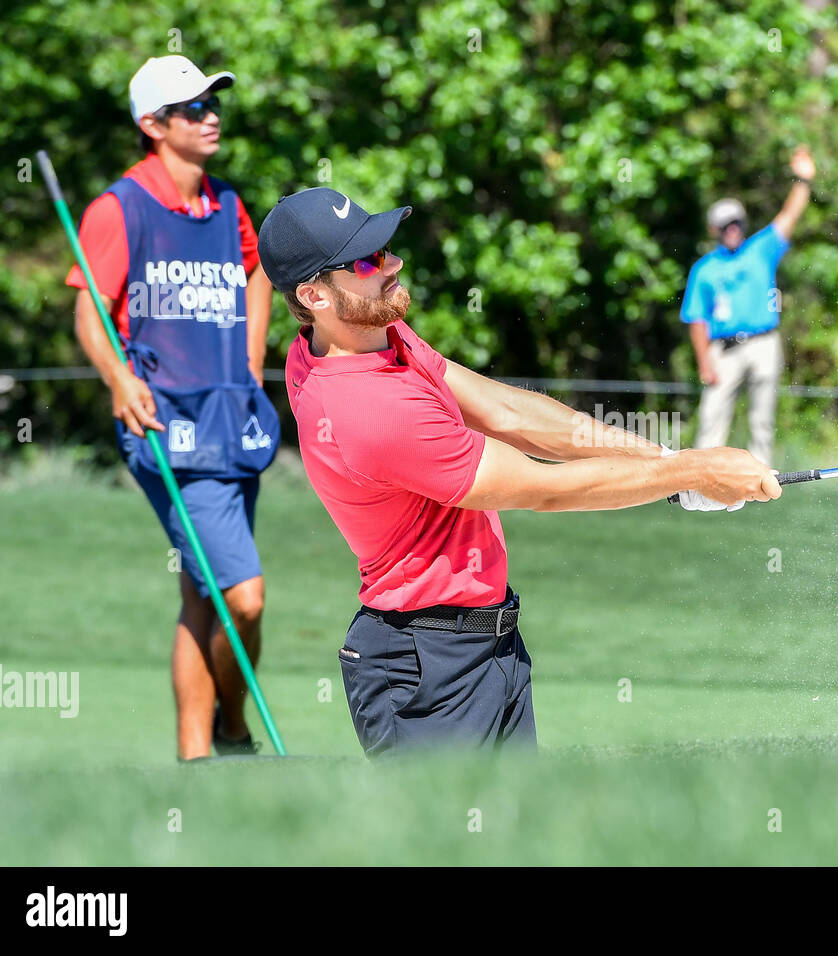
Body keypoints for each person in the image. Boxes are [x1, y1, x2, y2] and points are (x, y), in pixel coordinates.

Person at [257, 188, 780, 756]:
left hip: (487, 643)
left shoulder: (367, 338)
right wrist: (696, 471)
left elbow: (509, 413)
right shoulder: (370, 410)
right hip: (427, 669)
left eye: (384, 248)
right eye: (365, 262)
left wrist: (671, 466)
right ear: (313, 294)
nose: (392, 264)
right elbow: (544, 489)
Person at [67, 55, 279, 761]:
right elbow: (89, 316)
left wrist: (250, 362)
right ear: (152, 125)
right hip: (167, 429)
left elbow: (256, 273)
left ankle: (195, 764)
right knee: (242, 596)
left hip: (232, 418)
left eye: (213, 103)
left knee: (202, 596)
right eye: (191, 109)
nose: (210, 116)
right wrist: (119, 380)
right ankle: (235, 725)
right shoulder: (117, 208)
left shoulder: (226, 204)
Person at [681, 145, 817, 468]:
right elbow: (697, 318)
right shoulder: (705, 269)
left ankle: (759, 479)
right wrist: (704, 362)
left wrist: (803, 180)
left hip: (763, 343)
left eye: (736, 222)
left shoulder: (760, 250)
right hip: (723, 350)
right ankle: (703, 477)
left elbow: (789, 215)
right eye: (725, 224)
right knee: (712, 417)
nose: (732, 228)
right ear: (714, 229)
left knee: (762, 419)